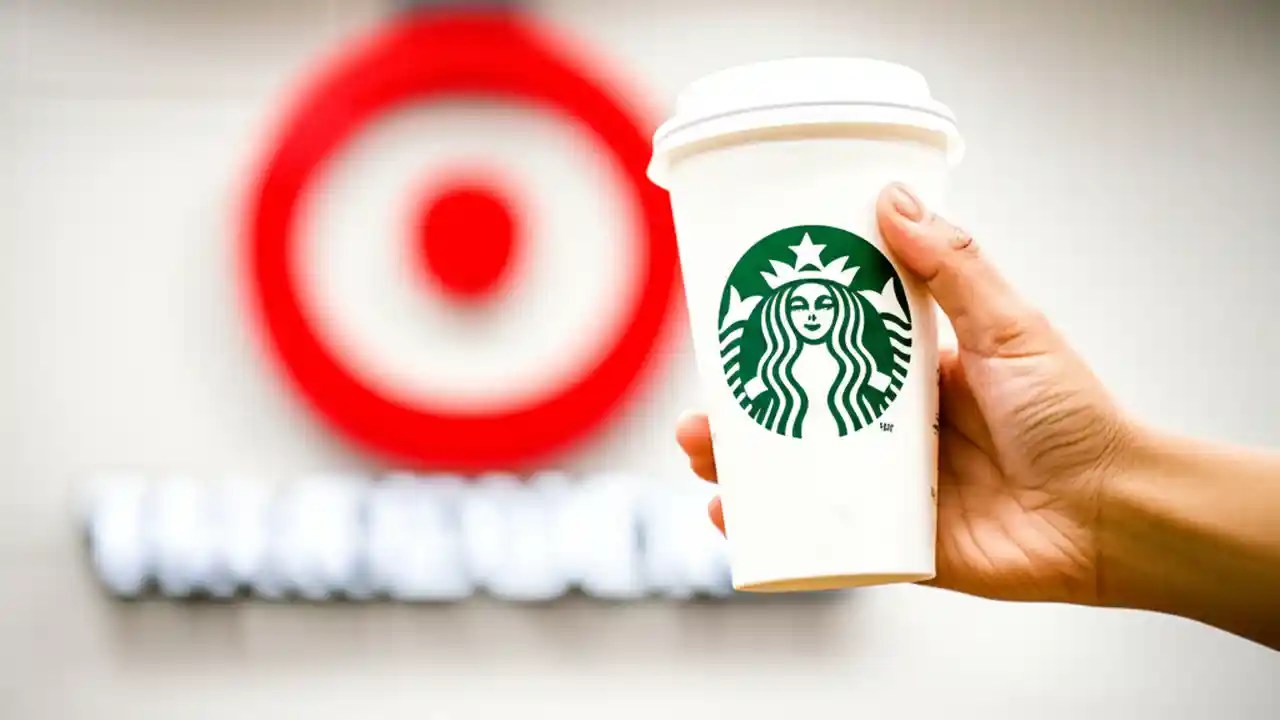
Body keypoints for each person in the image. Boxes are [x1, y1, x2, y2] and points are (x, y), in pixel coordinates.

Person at [676, 183, 1280, 651]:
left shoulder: (860, 377)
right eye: (797, 303)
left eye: (825, 301)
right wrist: (1095, 509)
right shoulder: (778, 384)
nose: (811, 313)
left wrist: (1097, 499)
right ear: (776, 315)